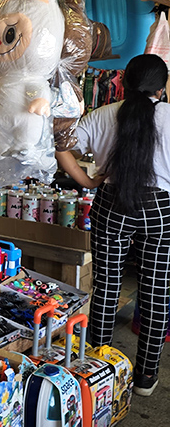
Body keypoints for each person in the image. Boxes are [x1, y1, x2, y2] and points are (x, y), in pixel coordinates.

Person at [56, 53, 170, 397]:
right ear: (161, 88)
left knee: (106, 286)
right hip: (161, 211)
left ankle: (97, 367)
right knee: (156, 292)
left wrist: (85, 180)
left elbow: (60, 143)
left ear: (123, 81)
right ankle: (146, 377)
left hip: (111, 203)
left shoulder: (104, 114)